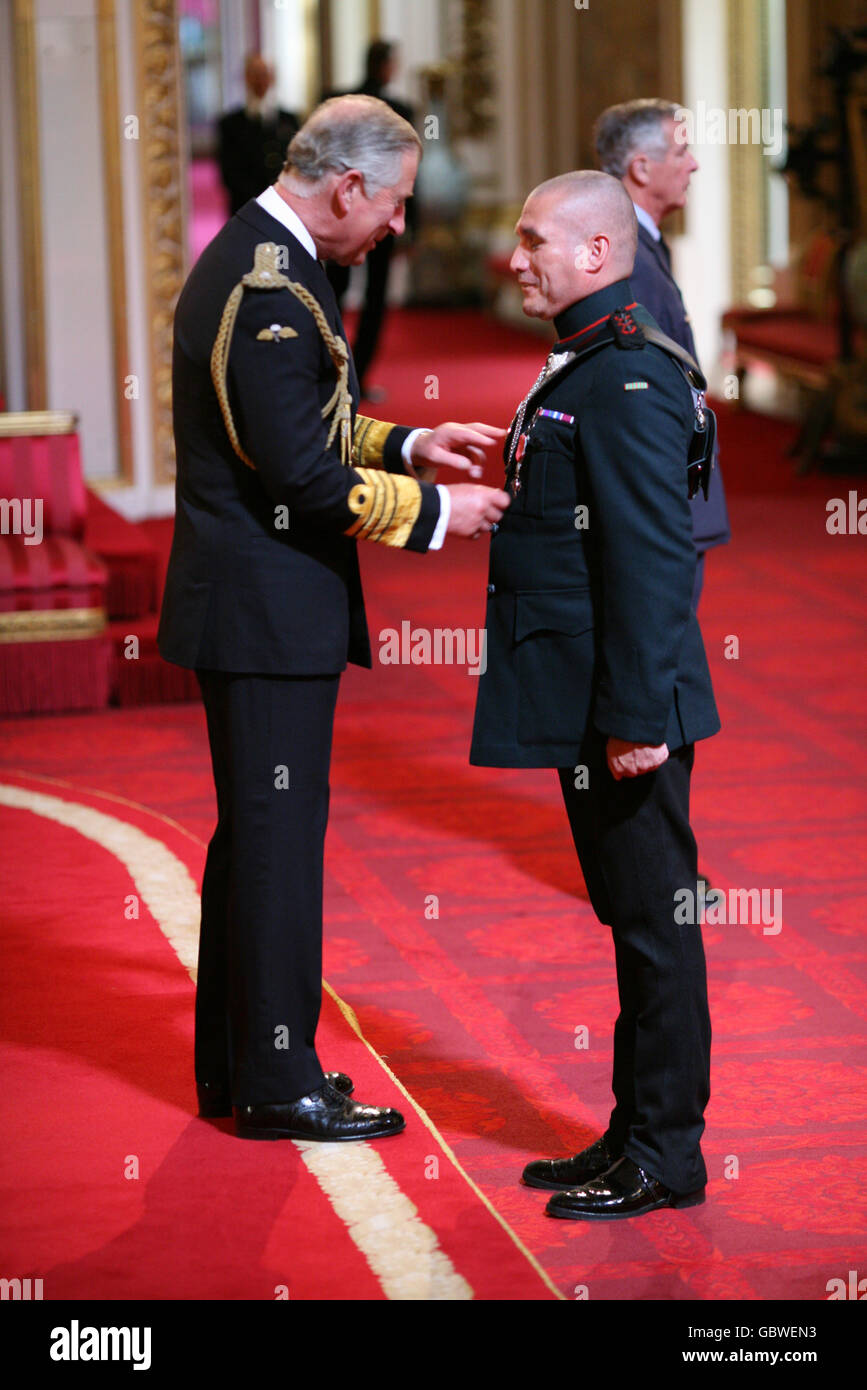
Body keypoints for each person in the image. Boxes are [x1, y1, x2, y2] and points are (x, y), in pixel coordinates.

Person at [158, 94, 509, 1144]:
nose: (398, 226)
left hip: (257, 605)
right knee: (275, 842)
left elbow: (303, 418)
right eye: (394, 204)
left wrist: (408, 444)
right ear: (348, 185)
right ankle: (276, 1080)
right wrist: (443, 512)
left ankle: (238, 1064)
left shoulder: (273, 258)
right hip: (265, 610)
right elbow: (305, 475)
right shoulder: (269, 283)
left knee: (256, 838)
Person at [469, 170, 720, 1220]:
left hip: (628, 709)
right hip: (597, 700)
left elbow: (654, 563)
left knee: (657, 926)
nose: (515, 256)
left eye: (533, 240)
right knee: (630, 918)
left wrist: (633, 720)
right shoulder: (588, 359)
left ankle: (669, 1152)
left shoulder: (624, 380)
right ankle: (631, 1130)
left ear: (596, 253)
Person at [594, 98, 730, 609]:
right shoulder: (628, 258)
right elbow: (638, 393)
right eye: (682, 151)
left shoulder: (640, 244)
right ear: (642, 167)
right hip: (660, 505)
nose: (693, 163)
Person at [325, 40, 416, 399]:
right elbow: (411, 177)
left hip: (345, 212)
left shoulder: (339, 100)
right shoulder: (400, 109)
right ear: (387, 66)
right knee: (374, 298)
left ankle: (333, 375)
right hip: (384, 215)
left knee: (335, 291)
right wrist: (411, 224)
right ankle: (356, 379)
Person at [217, 54, 300, 215]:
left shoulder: (289, 120)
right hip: (246, 205)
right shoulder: (230, 124)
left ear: (272, 78)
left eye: (264, 74)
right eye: (255, 74)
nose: (260, 80)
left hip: (284, 205)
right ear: (247, 78)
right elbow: (228, 172)